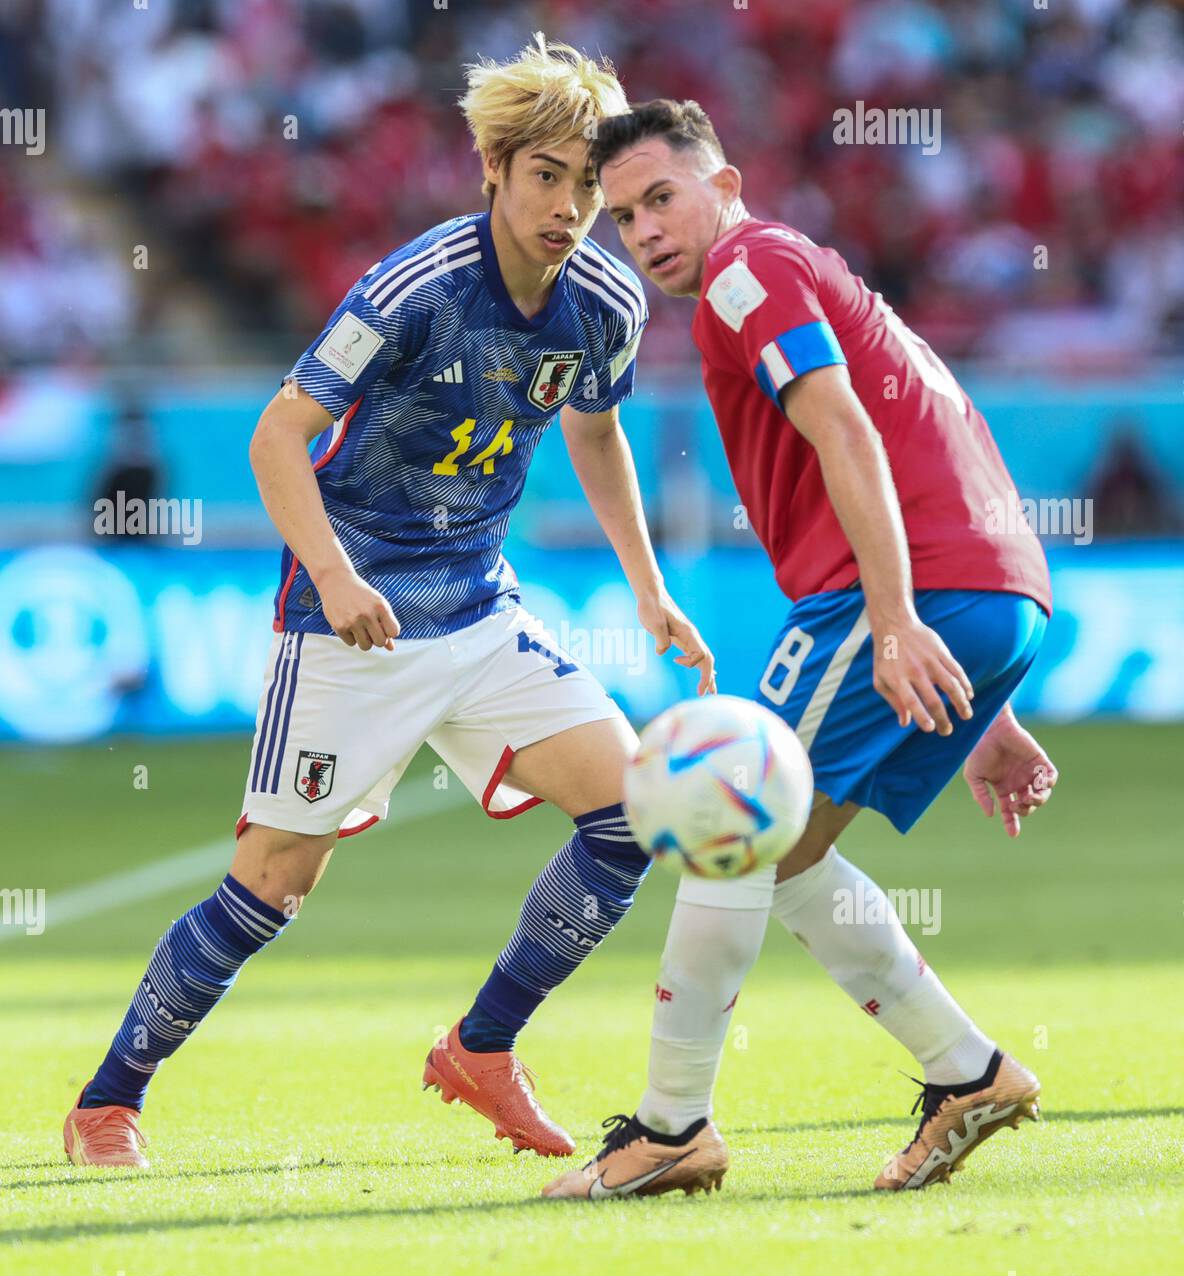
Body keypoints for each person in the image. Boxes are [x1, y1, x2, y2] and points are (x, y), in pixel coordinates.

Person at [62, 44, 715, 1170]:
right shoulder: (412, 290)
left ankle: (481, 1045)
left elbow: (594, 433)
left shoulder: (606, 303)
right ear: (495, 172)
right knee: (273, 884)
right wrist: (331, 573)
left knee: (631, 812)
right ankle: (106, 1102)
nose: (568, 208)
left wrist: (650, 590)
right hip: (352, 620)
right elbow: (278, 436)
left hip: (478, 610)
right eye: (545, 177)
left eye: (585, 184)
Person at [544, 98, 1057, 1199]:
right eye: (622, 218)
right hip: (991, 587)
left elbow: (844, 428)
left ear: (721, 186)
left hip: (901, 590)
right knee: (786, 853)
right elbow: (922, 421)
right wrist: (986, 703)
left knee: (727, 821)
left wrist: (891, 618)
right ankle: (964, 1073)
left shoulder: (745, 270)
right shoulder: (797, 268)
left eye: (659, 198)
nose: (641, 231)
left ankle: (671, 1126)